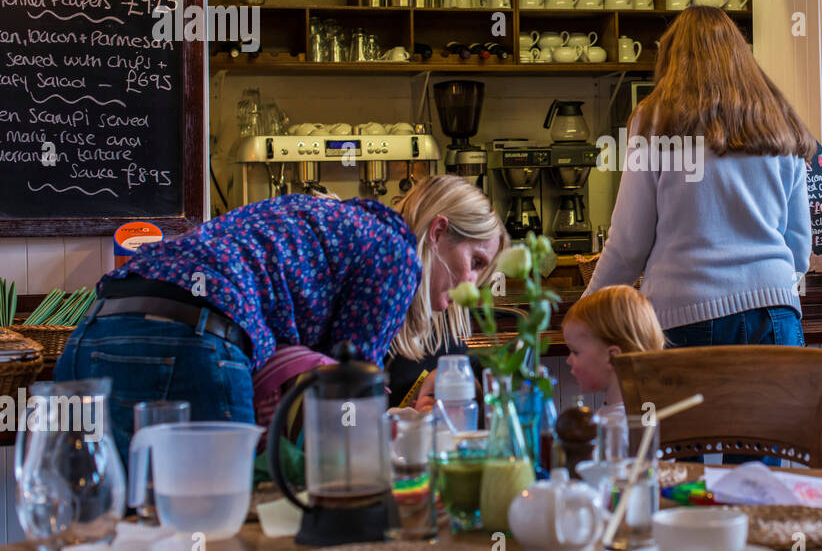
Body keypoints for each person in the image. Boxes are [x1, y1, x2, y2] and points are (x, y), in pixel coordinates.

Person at [54, 175, 506, 456]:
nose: (472, 288)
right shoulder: (396, 256)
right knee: (219, 540)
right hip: (191, 340)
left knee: (120, 527)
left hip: (95, 326)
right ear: (439, 232)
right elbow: (342, 402)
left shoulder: (336, 225)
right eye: (477, 262)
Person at [585, 6, 814, 349]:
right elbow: (798, 246)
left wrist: (586, 309)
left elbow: (629, 244)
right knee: (777, 406)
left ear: (672, 57)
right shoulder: (780, 119)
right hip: (776, 312)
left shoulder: (655, 118)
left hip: (687, 315)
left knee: (682, 407)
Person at [561, 285, 665, 422]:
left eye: (575, 352)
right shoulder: (622, 414)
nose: (568, 360)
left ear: (612, 357)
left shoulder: (617, 426)